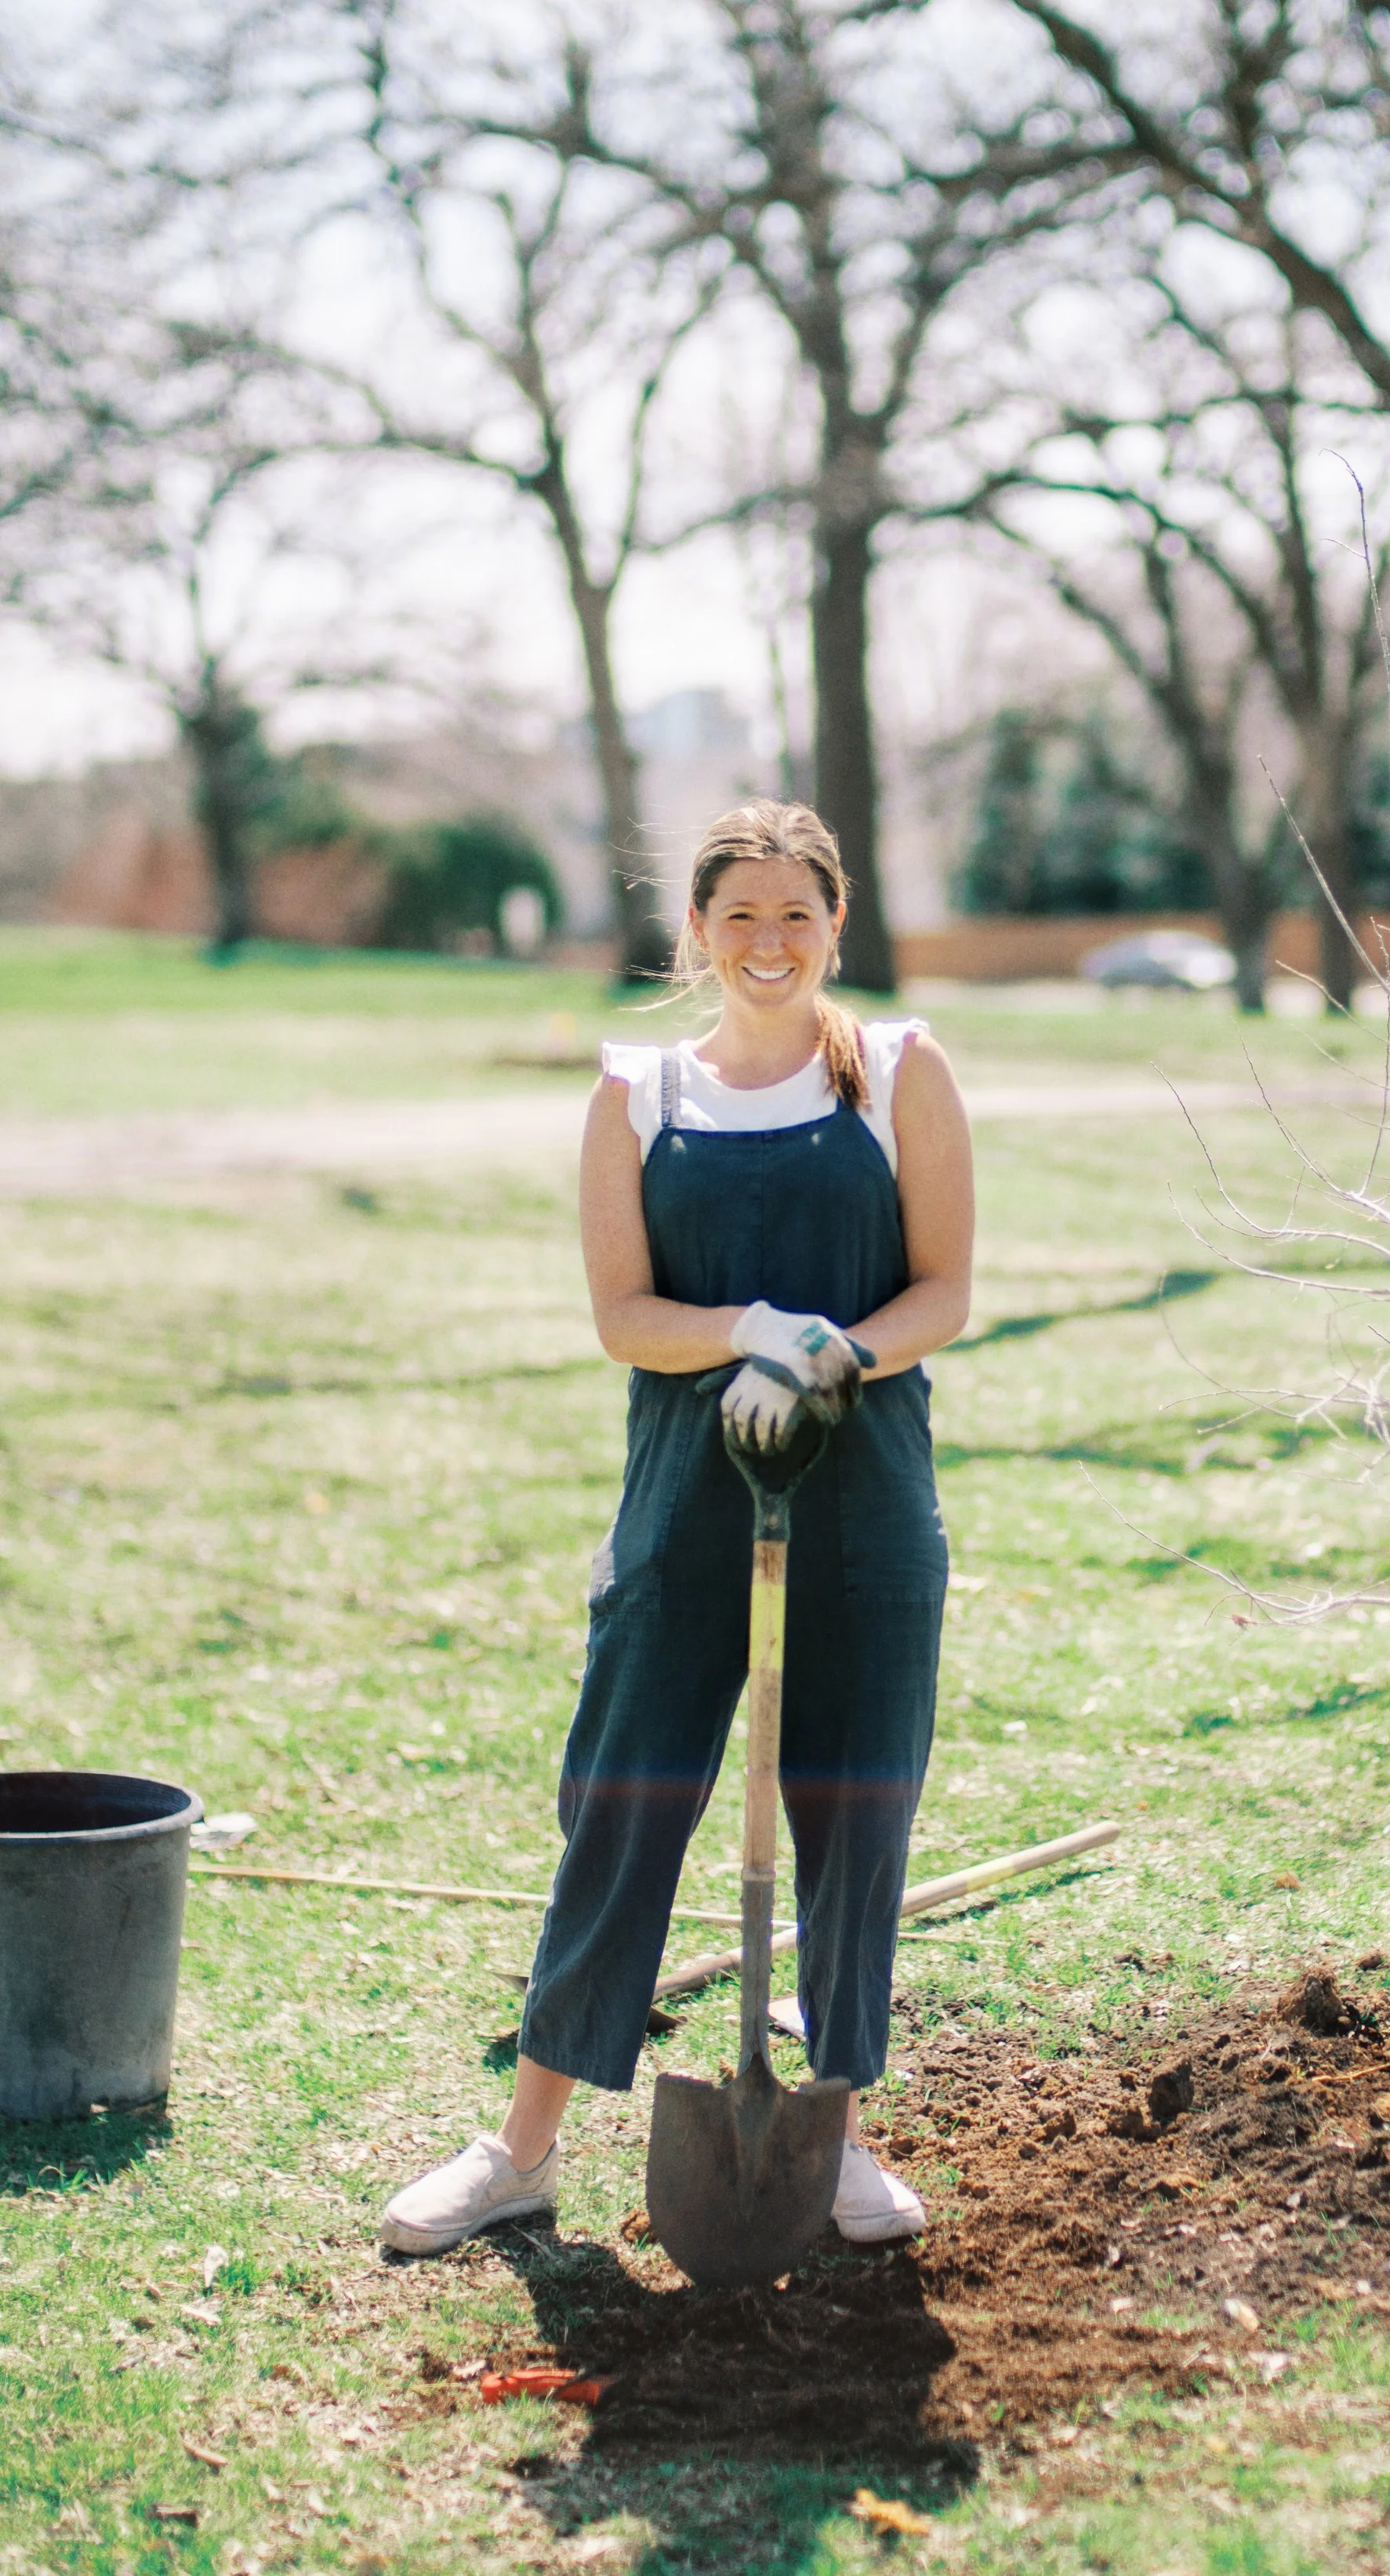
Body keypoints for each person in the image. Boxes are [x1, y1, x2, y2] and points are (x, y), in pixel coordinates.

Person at [379, 800, 973, 2256]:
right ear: (695, 934)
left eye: (797, 916)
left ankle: (831, 2127)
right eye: (739, 918)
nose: (769, 944)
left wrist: (835, 1354)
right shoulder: (636, 1094)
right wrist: (746, 1331)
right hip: (683, 1499)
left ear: (838, 923)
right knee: (624, 1796)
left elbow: (946, 1287)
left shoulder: (899, 1068)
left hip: (866, 1495)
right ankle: (521, 2147)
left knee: (856, 1804)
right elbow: (623, 1318)